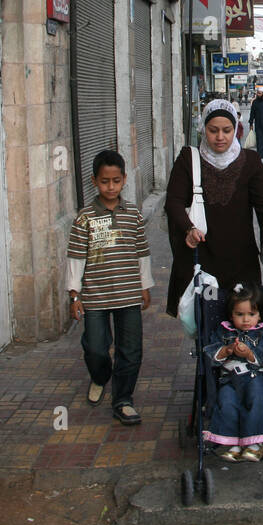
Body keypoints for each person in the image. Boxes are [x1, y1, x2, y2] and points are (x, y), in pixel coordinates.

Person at [164, 98, 263, 319]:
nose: (220, 137)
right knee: (208, 320)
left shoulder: (250, 161)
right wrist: (187, 228)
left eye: (227, 130)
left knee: (244, 318)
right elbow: (173, 201)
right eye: (213, 130)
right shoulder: (188, 159)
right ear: (203, 129)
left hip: (241, 258)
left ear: (235, 129)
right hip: (203, 256)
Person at [67, 150, 153, 426]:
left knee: (131, 349)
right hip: (95, 296)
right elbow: (76, 257)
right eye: (105, 181)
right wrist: (74, 294)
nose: (111, 187)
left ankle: (123, 400)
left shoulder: (134, 216)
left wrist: (145, 286)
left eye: (116, 181)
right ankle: (100, 376)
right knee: (96, 348)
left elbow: (142, 252)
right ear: (94, 181)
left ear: (124, 180)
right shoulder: (84, 218)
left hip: (128, 294)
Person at [203, 284, 263, 461]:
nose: (246, 320)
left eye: (251, 314)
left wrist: (250, 354)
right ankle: (232, 442)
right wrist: (227, 350)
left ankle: (253, 442)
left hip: (254, 376)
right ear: (231, 315)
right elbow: (210, 353)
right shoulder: (224, 330)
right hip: (229, 378)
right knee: (227, 402)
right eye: (240, 314)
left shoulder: (262, 332)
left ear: (259, 315)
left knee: (257, 398)